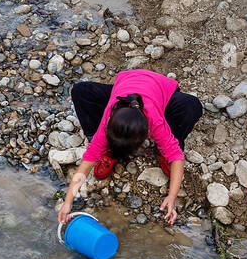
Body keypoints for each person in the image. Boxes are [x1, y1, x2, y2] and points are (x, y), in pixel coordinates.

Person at [56, 69, 203, 227]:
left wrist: (172, 196)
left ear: (147, 134)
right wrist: (67, 202)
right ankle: (108, 151)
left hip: (160, 88)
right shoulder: (107, 124)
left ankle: (162, 149)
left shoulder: (155, 122)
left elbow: (177, 158)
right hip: (127, 81)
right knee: (80, 91)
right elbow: (84, 167)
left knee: (192, 106)